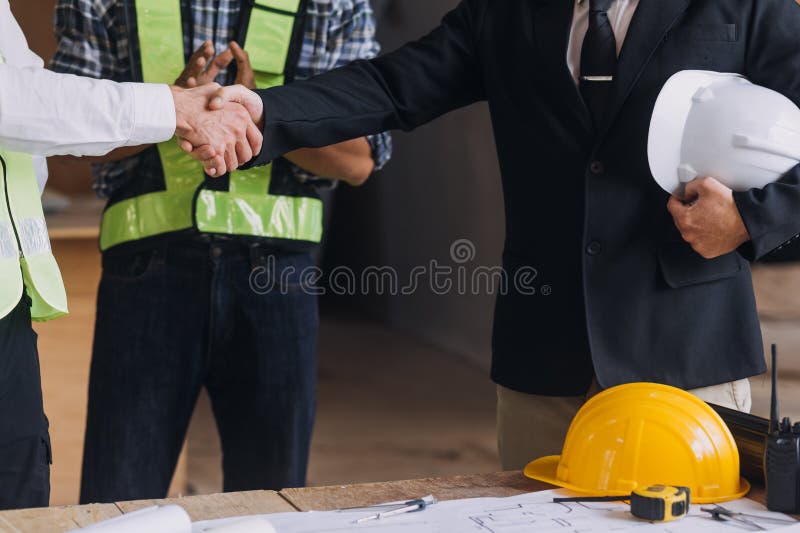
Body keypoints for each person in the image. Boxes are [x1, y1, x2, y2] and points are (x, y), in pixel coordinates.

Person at [210, 0, 800, 470]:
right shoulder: (505, 10)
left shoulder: (744, 4)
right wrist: (260, 112)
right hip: (543, 361)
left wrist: (750, 217)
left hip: (686, 351)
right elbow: (392, 86)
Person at [51, 0, 391, 503]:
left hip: (277, 281)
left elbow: (361, 157)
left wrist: (266, 113)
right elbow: (63, 130)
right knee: (119, 509)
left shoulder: (333, 4)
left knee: (269, 507)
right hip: (144, 277)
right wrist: (169, 110)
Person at [0, 0, 257, 510]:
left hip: (8, 304)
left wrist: (175, 109)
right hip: (125, 274)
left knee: (20, 501)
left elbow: (34, 96)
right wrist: (173, 109)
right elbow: (16, 101)